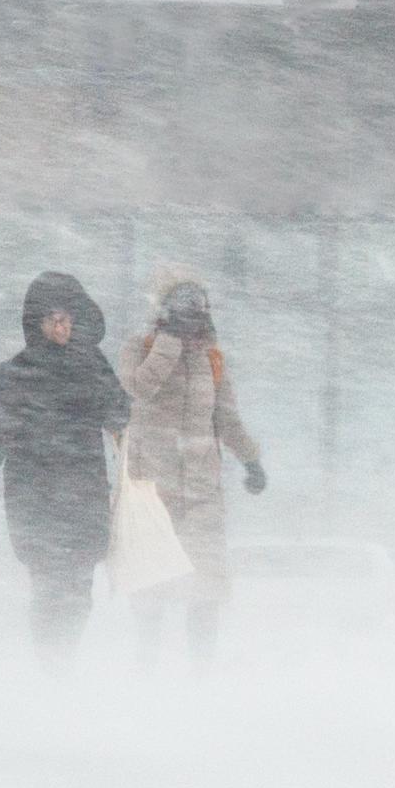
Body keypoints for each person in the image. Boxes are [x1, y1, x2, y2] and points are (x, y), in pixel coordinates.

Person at [0, 272, 131, 671]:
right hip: (35, 499)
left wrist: (95, 370)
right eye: (53, 319)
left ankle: (61, 663)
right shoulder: (17, 373)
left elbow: (120, 413)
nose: (62, 327)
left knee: (80, 592)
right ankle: (52, 667)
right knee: (49, 589)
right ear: (37, 323)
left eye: (68, 319)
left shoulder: (90, 365)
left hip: (84, 496)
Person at [121, 274, 266, 668]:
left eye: (197, 310)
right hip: (153, 490)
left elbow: (227, 418)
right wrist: (168, 343)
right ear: (165, 312)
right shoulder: (142, 347)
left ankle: (201, 673)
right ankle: (146, 669)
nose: (193, 319)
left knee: (205, 591)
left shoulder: (211, 360)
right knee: (152, 589)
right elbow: (137, 390)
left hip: (202, 495)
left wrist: (250, 459)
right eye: (183, 310)